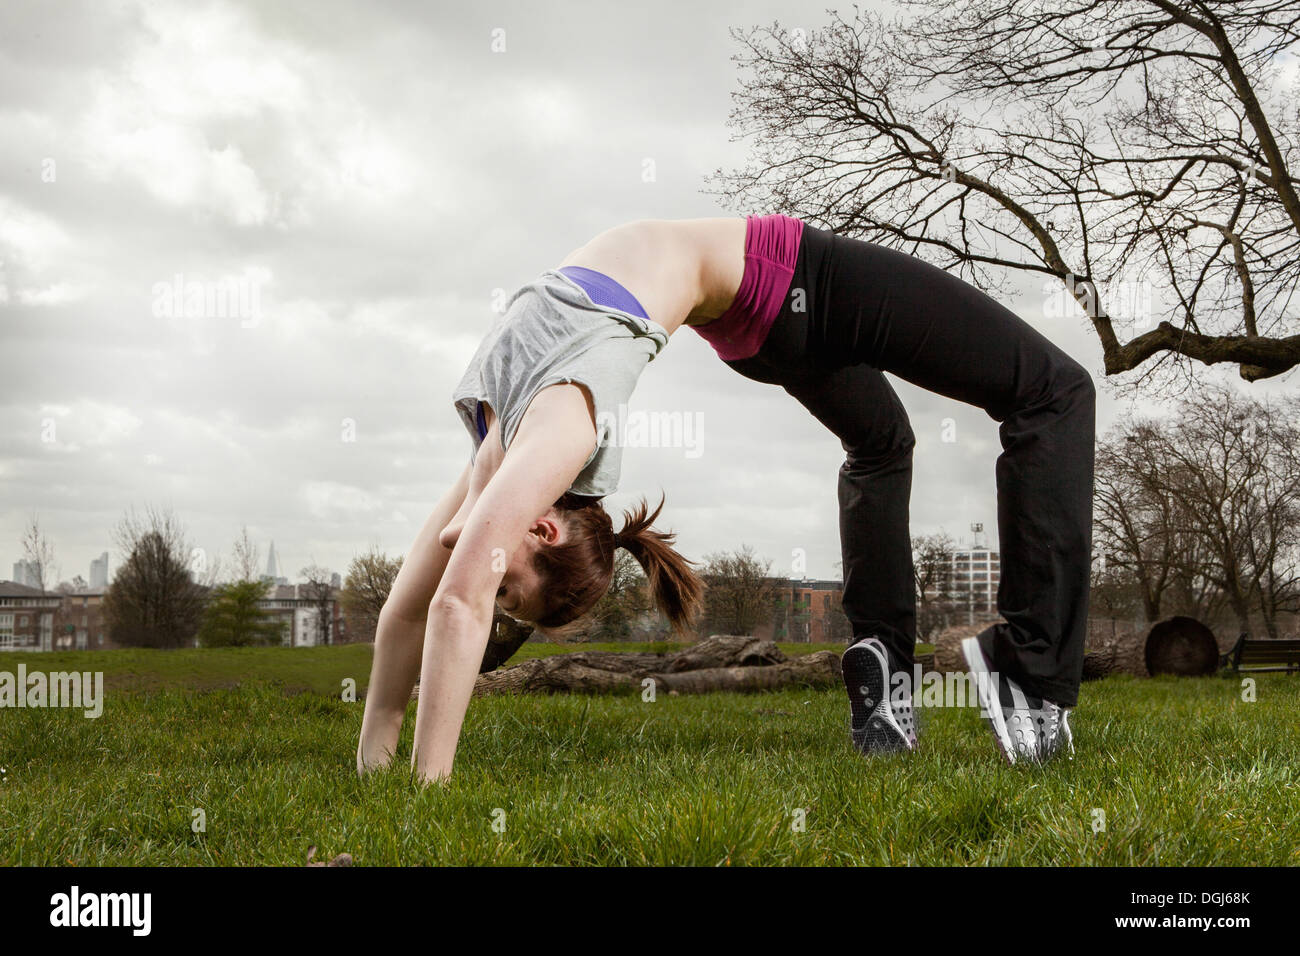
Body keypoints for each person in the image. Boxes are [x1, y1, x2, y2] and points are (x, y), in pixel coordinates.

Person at [356, 213, 1095, 784]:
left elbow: (419, 607)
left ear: (543, 529)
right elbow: (444, 605)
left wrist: (388, 769)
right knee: (1055, 392)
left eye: (505, 589)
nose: (491, 589)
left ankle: (884, 662)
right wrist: (431, 794)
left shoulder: (522, 443)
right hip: (793, 285)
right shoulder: (557, 432)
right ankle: (1030, 671)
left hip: (763, 324)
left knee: (880, 444)